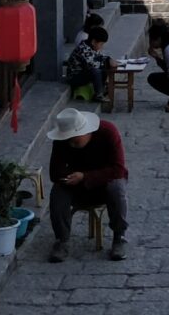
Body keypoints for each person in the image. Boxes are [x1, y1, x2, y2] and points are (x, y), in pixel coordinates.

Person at [45, 108, 128, 262]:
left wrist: (86, 176)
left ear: (86, 131)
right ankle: (62, 240)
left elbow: (118, 169)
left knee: (117, 189)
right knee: (57, 194)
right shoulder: (62, 142)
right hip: (76, 184)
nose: (71, 143)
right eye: (68, 139)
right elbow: (55, 172)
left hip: (104, 180)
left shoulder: (108, 132)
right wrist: (68, 177)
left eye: (75, 140)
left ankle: (119, 237)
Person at [64, 26, 113, 101]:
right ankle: (98, 95)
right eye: (101, 44)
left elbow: (99, 57)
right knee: (96, 71)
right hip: (75, 76)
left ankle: (103, 88)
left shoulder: (92, 47)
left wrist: (109, 59)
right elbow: (93, 65)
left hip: (85, 73)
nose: (102, 47)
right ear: (93, 42)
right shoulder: (83, 49)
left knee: (103, 69)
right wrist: (107, 62)